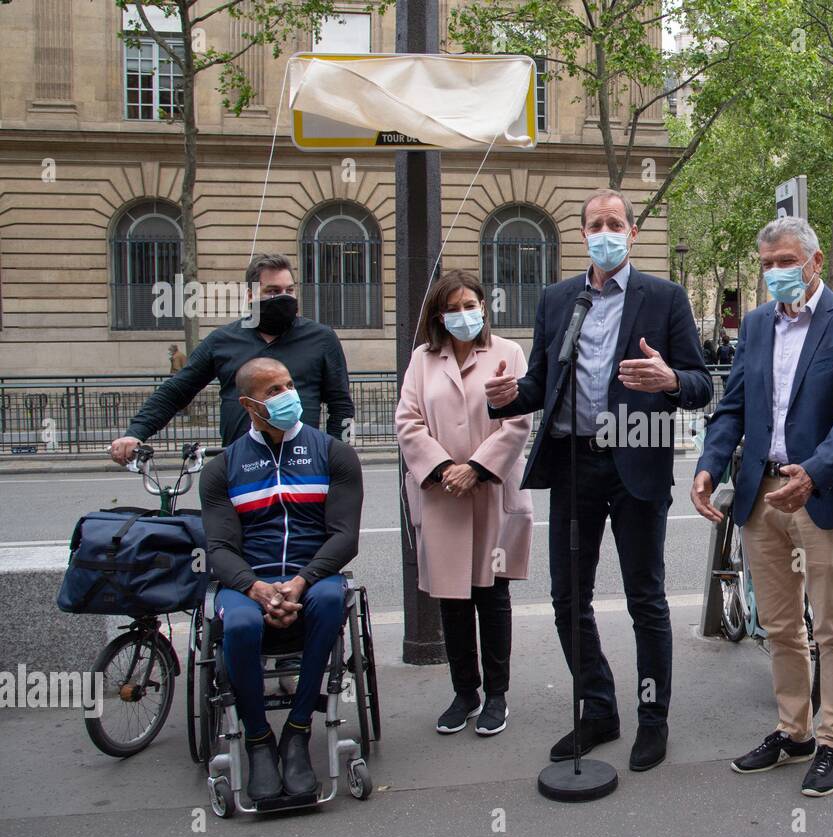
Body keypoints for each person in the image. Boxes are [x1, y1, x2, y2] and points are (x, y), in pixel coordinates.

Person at [483, 187, 711, 772]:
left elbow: (701, 384)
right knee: (567, 598)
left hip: (638, 457)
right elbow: (540, 382)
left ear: (632, 234)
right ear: (582, 233)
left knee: (646, 599)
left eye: (615, 223)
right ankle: (599, 708)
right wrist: (511, 398)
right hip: (574, 460)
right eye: (594, 224)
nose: (604, 232)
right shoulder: (559, 299)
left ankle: (652, 718)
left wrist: (668, 381)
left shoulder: (665, 298)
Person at [692, 217, 833, 797]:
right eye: (767, 263)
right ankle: (794, 731)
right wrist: (708, 465)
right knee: (777, 624)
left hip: (819, 495)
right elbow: (732, 409)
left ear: (815, 262)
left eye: (786, 261)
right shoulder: (753, 326)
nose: (775, 272)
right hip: (759, 495)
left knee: (832, 624)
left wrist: (814, 473)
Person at [199, 357, 363, 802]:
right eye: (273, 391)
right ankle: (258, 740)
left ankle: (296, 731)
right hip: (248, 582)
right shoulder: (221, 468)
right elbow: (218, 548)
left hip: (314, 578)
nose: (288, 395)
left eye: (289, 384)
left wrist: (302, 582)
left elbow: (346, 536)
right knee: (240, 624)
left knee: (332, 601)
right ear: (248, 404)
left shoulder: (333, 453)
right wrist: (256, 588)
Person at [395, 270, 533, 737]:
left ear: (484, 306)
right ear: (438, 315)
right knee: (451, 599)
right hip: (441, 495)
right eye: (451, 308)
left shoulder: (508, 353)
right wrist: (440, 468)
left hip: (490, 489)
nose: (462, 314)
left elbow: (517, 422)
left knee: (492, 595)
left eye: (469, 304)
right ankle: (464, 693)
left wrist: (474, 467)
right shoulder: (422, 359)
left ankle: (497, 695)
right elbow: (408, 422)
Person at [109, 253, 355, 462]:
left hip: (303, 466)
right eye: (272, 291)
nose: (283, 297)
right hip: (239, 464)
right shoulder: (222, 341)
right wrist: (135, 432)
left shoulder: (322, 338)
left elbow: (342, 406)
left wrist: (338, 458)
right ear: (250, 295)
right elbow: (177, 390)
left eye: (289, 290)